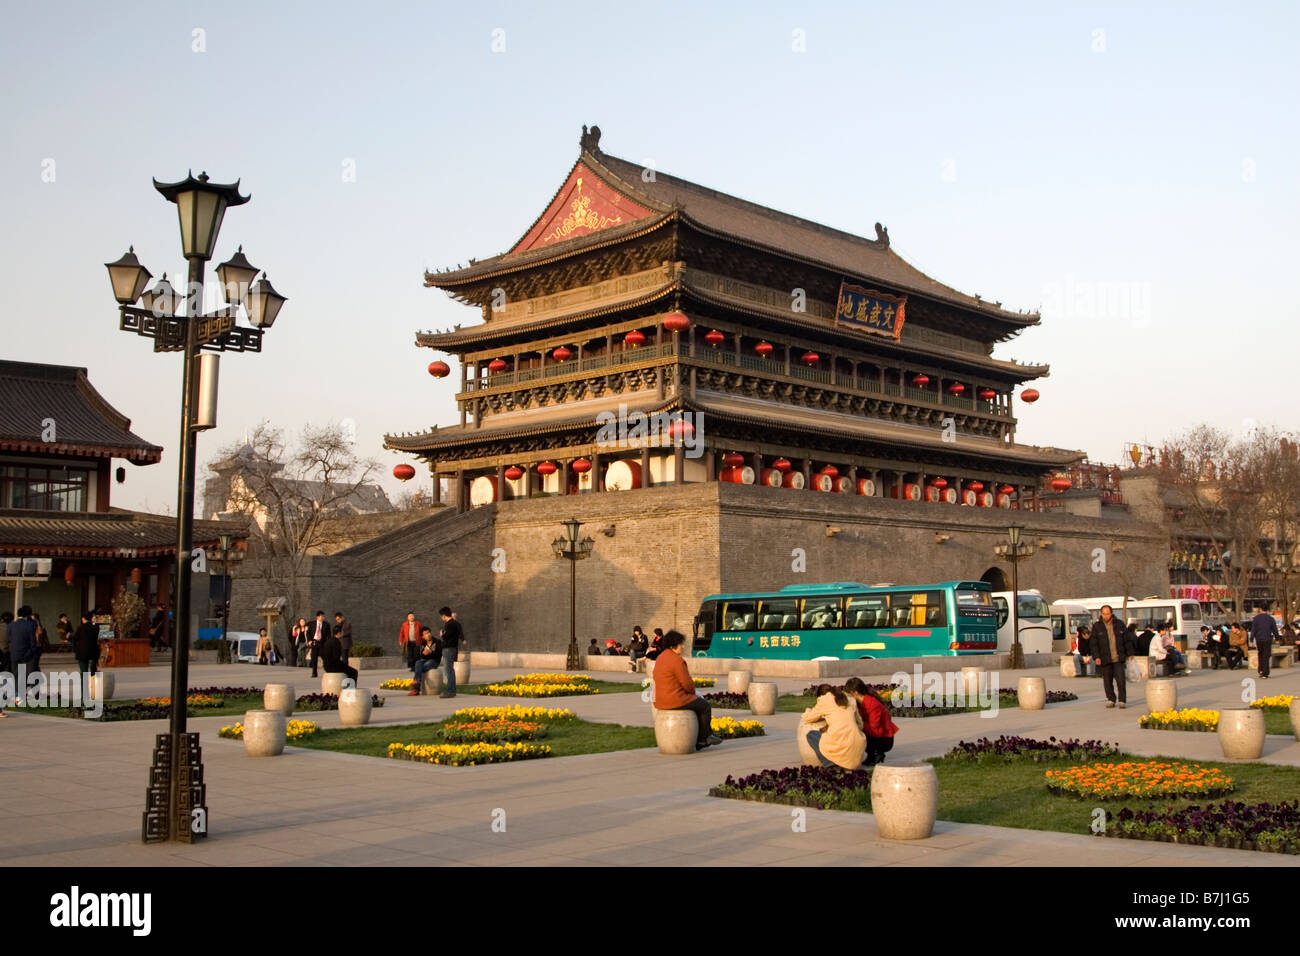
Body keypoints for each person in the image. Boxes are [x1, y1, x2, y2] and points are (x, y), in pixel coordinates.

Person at [651, 630, 721, 751]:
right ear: (673, 645)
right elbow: (687, 683)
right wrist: (692, 692)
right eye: (681, 644)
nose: (683, 647)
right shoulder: (677, 660)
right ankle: (703, 739)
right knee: (704, 706)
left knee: (698, 704)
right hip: (675, 699)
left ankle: (706, 736)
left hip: (660, 700)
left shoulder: (661, 658)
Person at [800, 683, 866, 769]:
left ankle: (829, 764)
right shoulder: (849, 699)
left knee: (811, 735)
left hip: (839, 742)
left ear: (820, 696)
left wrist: (808, 710)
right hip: (856, 749)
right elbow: (860, 724)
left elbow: (809, 718)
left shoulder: (825, 700)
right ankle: (841, 762)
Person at [844, 677, 897, 765]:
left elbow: (875, 728)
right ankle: (871, 754)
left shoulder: (872, 704)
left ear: (855, 693)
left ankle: (877, 753)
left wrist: (857, 724)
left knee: (857, 734)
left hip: (883, 738)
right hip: (874, 733)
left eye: (849, 694)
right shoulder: (859, 703)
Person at [1090, 604, 1128, 708]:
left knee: (1121, 680)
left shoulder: (1120, 624)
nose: (1106, 616)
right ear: (1101, 614)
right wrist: (1096, 657)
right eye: (1103, 614)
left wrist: (1130, 654)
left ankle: (1122, 700)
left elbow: (1127, 640)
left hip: (1118, 658)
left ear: (1111, 613)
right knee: (1107, 681)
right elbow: (1093, 643)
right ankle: (1111, 699)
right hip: (1105, 658)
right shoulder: (1097, 626)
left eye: (1107, 613)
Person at [437, 606, 463, 699]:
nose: (441, 618)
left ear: (444, 616)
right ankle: (451, 689)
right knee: (449, 670)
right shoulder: (455, 623)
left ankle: (450, 690)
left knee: (448, 670)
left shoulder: (449, 624)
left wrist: (442, 634)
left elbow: (446, 636)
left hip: (448, 648)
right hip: (453, 648)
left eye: (441, 616)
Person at [410, 626, 443, 695]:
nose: (428, 635)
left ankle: (416, 687)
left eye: (428, 632)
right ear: (423, 636)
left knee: (422, 667)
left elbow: (439, 654)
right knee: (418, 662)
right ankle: (417, 682)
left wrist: (430, 652)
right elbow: (421, 656)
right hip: (425, 660)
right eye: (425, 634)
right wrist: (424, 653)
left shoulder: (437, 642)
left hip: (434, 661)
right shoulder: (423, 643)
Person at [1250, 603, 1280, 679]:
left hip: (1259, 639)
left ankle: (1260, 669)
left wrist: (1251, 640)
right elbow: (1274, 629)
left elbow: (1253, 630)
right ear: (1267, 610)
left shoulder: (1256, 618)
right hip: (1267, 639)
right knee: (1266, 656)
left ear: (1260, 609)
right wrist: (1277, 639)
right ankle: (1265, 673)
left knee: (1260, 654)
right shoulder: (1270, 618)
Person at [72, 611, 99, 680]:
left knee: (84, 672)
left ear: (83, 619)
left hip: (83, 652)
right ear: (91, 618)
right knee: (93, 672)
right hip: (93, 651)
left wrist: (74, 649)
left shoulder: (81, 627)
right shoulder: (96, 627)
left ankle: (84, 690)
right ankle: (93, 688)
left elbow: (75, 638)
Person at [308, 611, 330, 677]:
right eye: (322, 616)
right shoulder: (312, 624)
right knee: (314, 658)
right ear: (317, 617)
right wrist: (309, 640)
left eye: (323, 616)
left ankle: (328, 670)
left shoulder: (326, 624)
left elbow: (328, 635)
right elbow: (308, 633)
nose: (323, 617)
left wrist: (328, 643)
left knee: (325, 658)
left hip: (322, 643)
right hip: (314, 642)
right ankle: (314, 672)